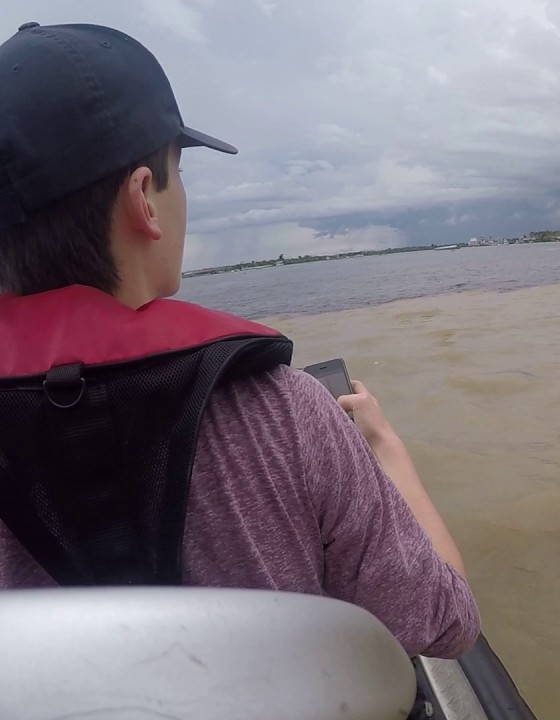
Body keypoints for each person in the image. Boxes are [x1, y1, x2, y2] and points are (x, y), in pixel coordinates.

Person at [0, 22, 479, 659]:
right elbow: (443, 624)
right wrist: (387, 455)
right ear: (145, 199)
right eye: (178, 171)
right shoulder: (284, 411)